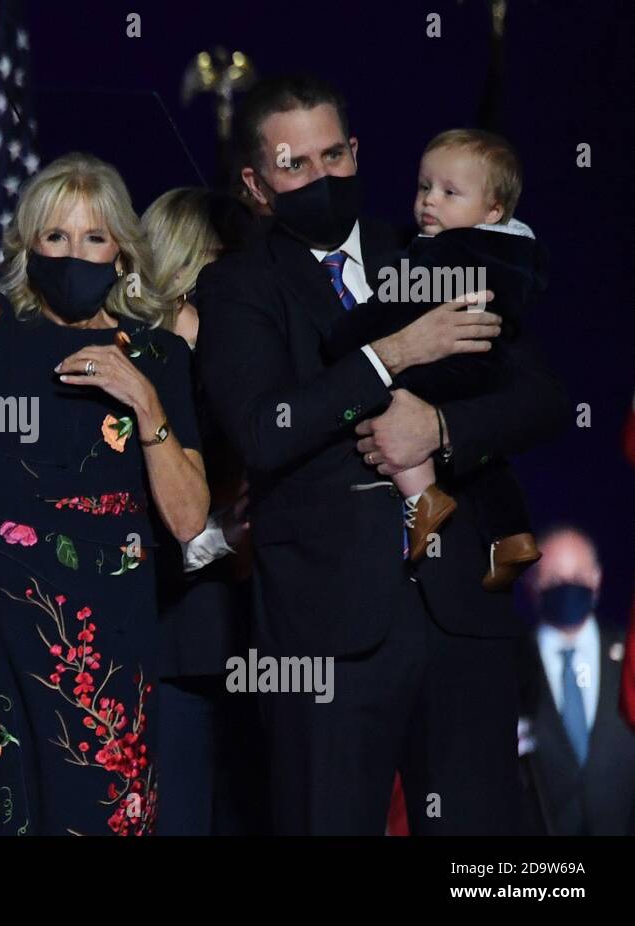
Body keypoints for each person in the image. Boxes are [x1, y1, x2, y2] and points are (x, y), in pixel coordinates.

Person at [199, 74, 569, 834]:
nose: (320, 176)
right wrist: (393, 353)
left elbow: (541, 402)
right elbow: (266, 431)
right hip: (325, 639)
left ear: (356, 152)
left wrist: (438, 429)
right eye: (294, 164)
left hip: (462, 616)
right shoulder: (236, 288)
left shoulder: (441, 246)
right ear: (256, 183)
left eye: (333, 155)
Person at [0, 69, 208, 835]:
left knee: (91, 813)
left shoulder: (158, 354)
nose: (74, 253)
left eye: (93, 238)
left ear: (122, 252)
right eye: (55, 236)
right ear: (28, 246)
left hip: (104, 628)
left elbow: (190, 521)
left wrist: (144, 402)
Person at [322, 128, 548, 589]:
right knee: (483, 456)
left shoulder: (448, 251)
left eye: (449, 193)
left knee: (389, 398)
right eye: (425, 187)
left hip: (450, 368)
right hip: (486, 371)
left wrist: (347, 339)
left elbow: (392, 308)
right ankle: (512, 535)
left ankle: (423, 497)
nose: (430, 201)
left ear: (493, 210)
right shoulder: (515, 254)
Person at [142, 187, 269, 834]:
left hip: (266, 651)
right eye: (229, 261)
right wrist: (224, 534)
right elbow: (127, 538)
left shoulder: (250, 368)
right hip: (176, 652)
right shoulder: (134, 380)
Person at [518, 526, 635, 835]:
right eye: (554, 579)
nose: (567, 587)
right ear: (533, 582)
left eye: (578, 575)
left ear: (596, 579)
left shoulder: (629, 656)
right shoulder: (510, 666)